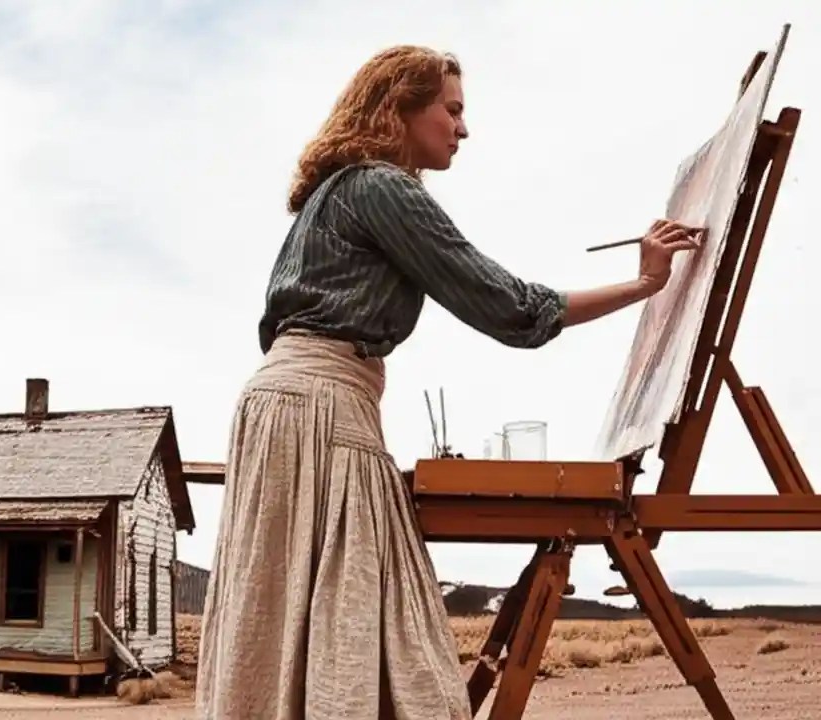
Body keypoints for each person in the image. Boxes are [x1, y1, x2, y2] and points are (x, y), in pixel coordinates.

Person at [194, 45, 700, 720]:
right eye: (451, 109)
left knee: (305, 617)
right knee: (365, 621)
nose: (464, 128)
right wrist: (644, 284)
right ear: (399, 109)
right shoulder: (380, 187)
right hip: (319, 406)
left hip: (291, 402)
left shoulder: (341, 191)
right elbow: (509, 307)